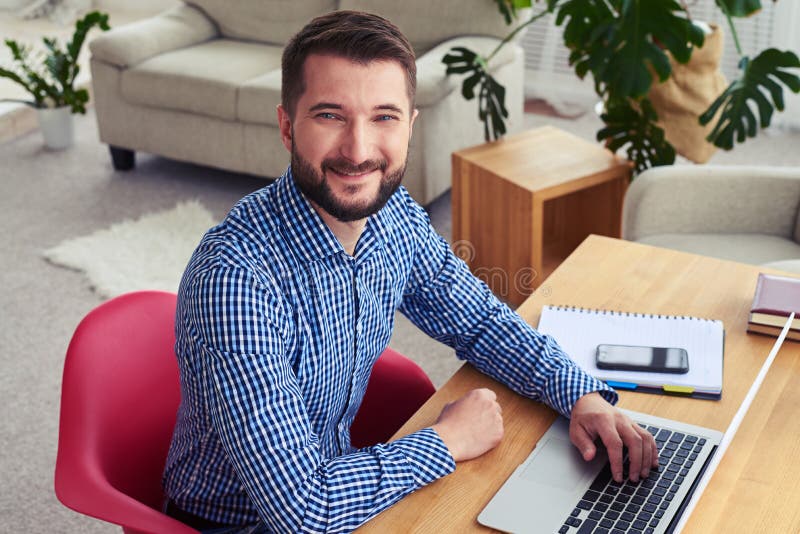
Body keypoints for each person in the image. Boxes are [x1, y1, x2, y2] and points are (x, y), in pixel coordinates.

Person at [162, 10, 658, 533]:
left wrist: (579, 394)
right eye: (330, 115)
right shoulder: (236, 279)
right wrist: (445, 441)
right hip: (242, 523)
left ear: (410, 126)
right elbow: (302, 511)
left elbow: (480, 322)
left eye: (383, 117)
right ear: (287, 124)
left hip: (340, 474)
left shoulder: (394, 216)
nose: (358, 151)